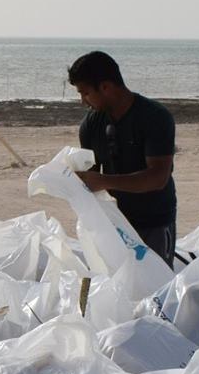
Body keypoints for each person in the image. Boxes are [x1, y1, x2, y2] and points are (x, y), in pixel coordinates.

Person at [68, 51, 179, 265]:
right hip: (114, 224)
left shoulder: (155, 118)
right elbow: (91, 176)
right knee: (118, 287)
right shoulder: (90, 125)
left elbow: (158, 177)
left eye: (85, 93)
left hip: (154, 221)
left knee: (157, 289)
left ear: (106, 87)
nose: (82, 101)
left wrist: (104, 181)